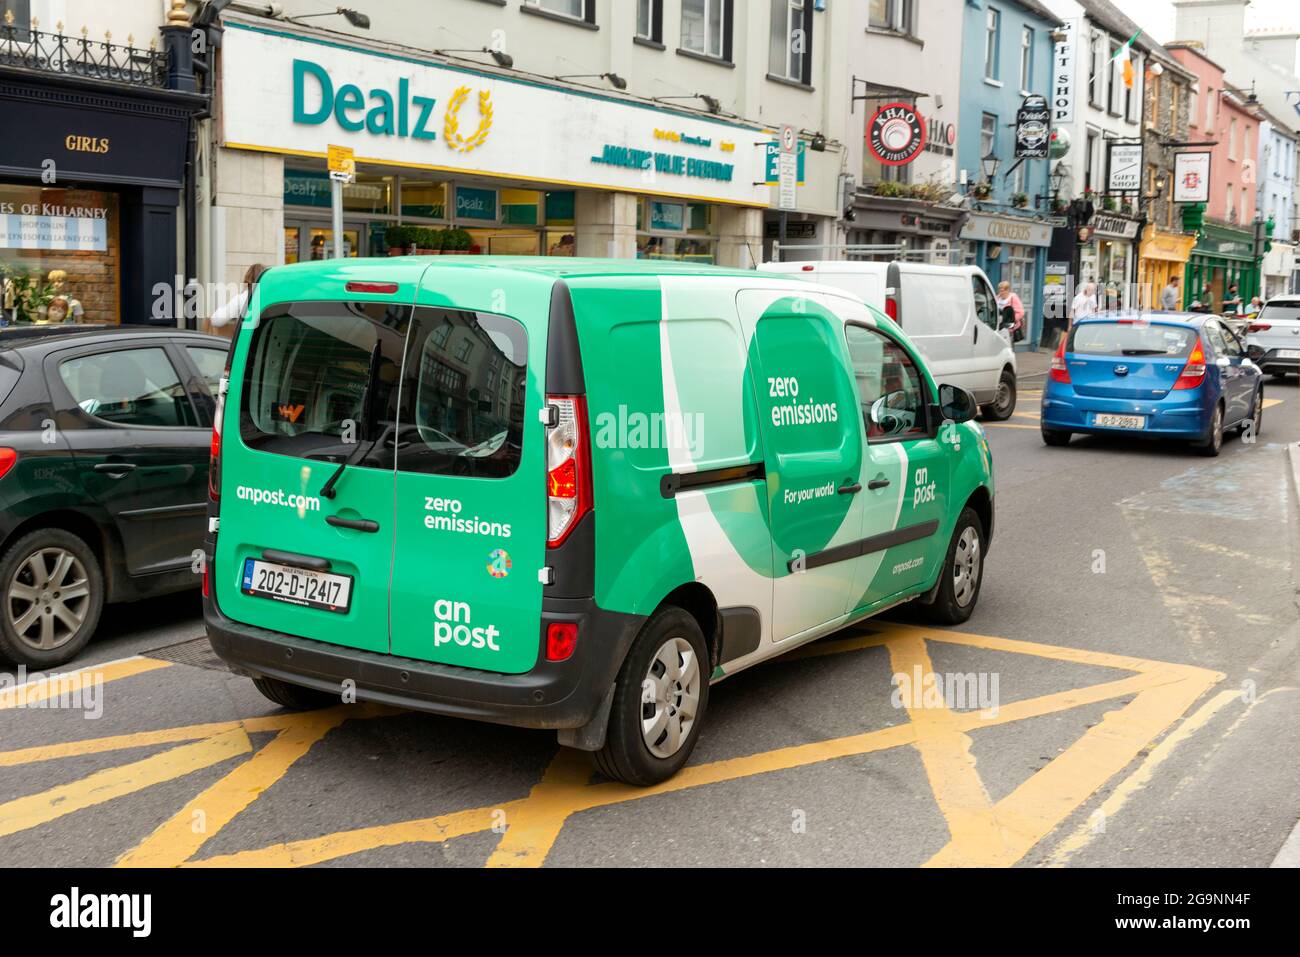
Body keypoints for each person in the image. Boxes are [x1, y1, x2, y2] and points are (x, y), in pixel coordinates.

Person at [204, 263, 266, 339]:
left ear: (248, 280)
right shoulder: (271, 298)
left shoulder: (243, 298)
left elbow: (216, 320)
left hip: (246, 343)